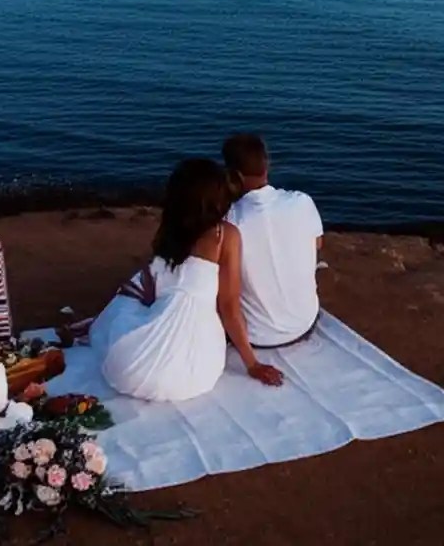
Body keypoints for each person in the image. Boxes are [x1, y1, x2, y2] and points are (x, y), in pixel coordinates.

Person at [87, 158, 283, 402]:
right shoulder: (225, 235)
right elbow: (229, 306)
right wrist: (252, 364)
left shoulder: (170, 228)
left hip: (127, 367)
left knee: (126, 301)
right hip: (192, 376)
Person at [222, 134, 323, 348]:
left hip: (257, 337)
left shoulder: (229, 221)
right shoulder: (302, 202)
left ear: (234, 176)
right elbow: (317, 244)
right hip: (305, 322)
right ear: (266, 166)